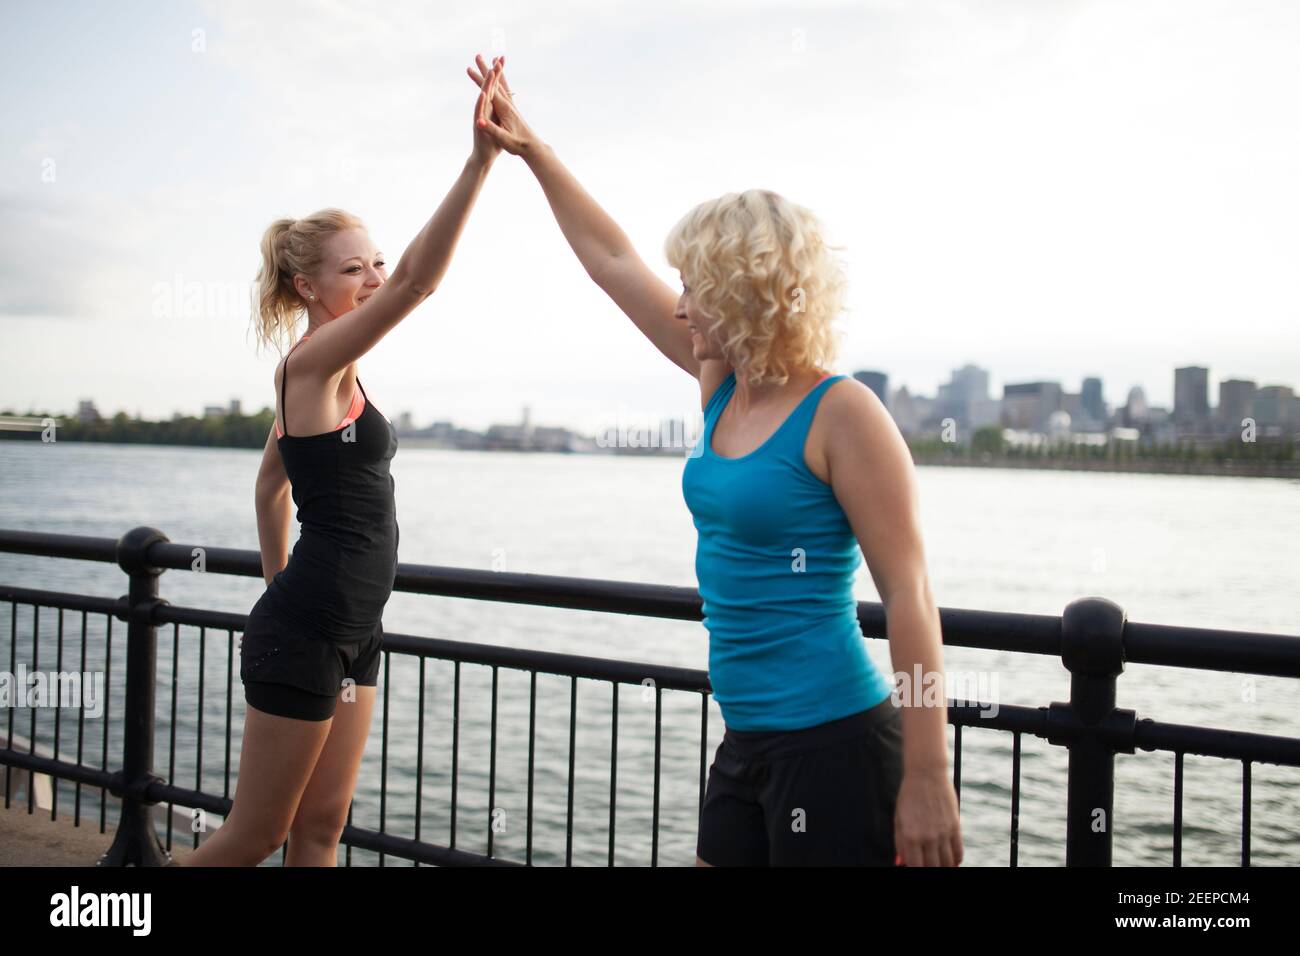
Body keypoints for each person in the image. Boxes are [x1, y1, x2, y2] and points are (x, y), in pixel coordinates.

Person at [468, 56, 962, 866]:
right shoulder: (720, 387)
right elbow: (610, 262)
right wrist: (530, 150)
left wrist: (929, 775)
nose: (682, 303)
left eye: (695, 285)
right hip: (747, 742)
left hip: (836, 744)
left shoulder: (844, 413)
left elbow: (909, 596)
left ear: (745, 293)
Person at [180, 67, 504, 866]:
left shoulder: (339, 378)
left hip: (354, 633)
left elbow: (270, 484)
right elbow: (423, 283)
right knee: (253, 837)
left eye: (377, 262)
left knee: (323, 831)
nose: (376, 278)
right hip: (306, 635)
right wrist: (479, 162)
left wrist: (275, 580)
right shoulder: (308, 368)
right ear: (308, 285)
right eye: (355, 268)